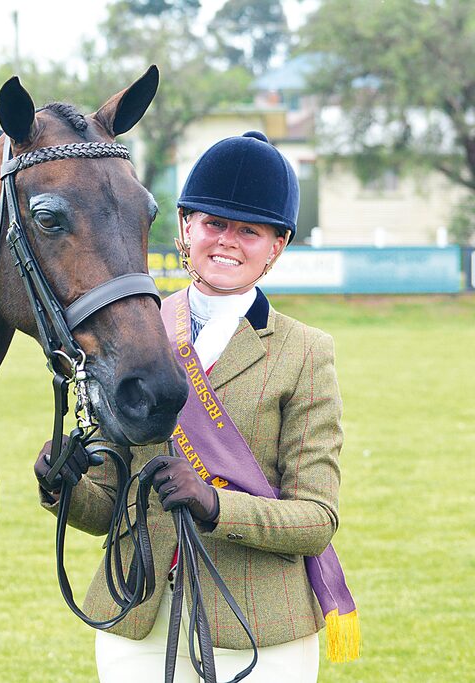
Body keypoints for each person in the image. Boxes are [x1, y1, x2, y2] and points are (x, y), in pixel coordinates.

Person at [35, 131, 359, 682]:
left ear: (277, 246)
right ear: (186, 227)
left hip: (256, 628)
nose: (228, 241)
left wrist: (213, 504)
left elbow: (316, 521)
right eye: (214, 224)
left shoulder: (306, 353)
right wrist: (64, 485)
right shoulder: (135, 335)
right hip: (138, 616)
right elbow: (108, 507)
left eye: (249, 231)